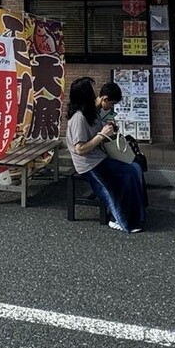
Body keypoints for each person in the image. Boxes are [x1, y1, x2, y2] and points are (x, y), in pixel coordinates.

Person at [65, 76, 146, 233]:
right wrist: (101, 135)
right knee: (127, 174)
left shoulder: (89, 112)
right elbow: (80, 149)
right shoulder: (78, 118)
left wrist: (107, 128)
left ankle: (138, 212)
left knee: (135, 166)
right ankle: (122, 219)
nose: (95, 94)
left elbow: (98, 131)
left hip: (98, 158)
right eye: (91, 91)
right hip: (88, 164)